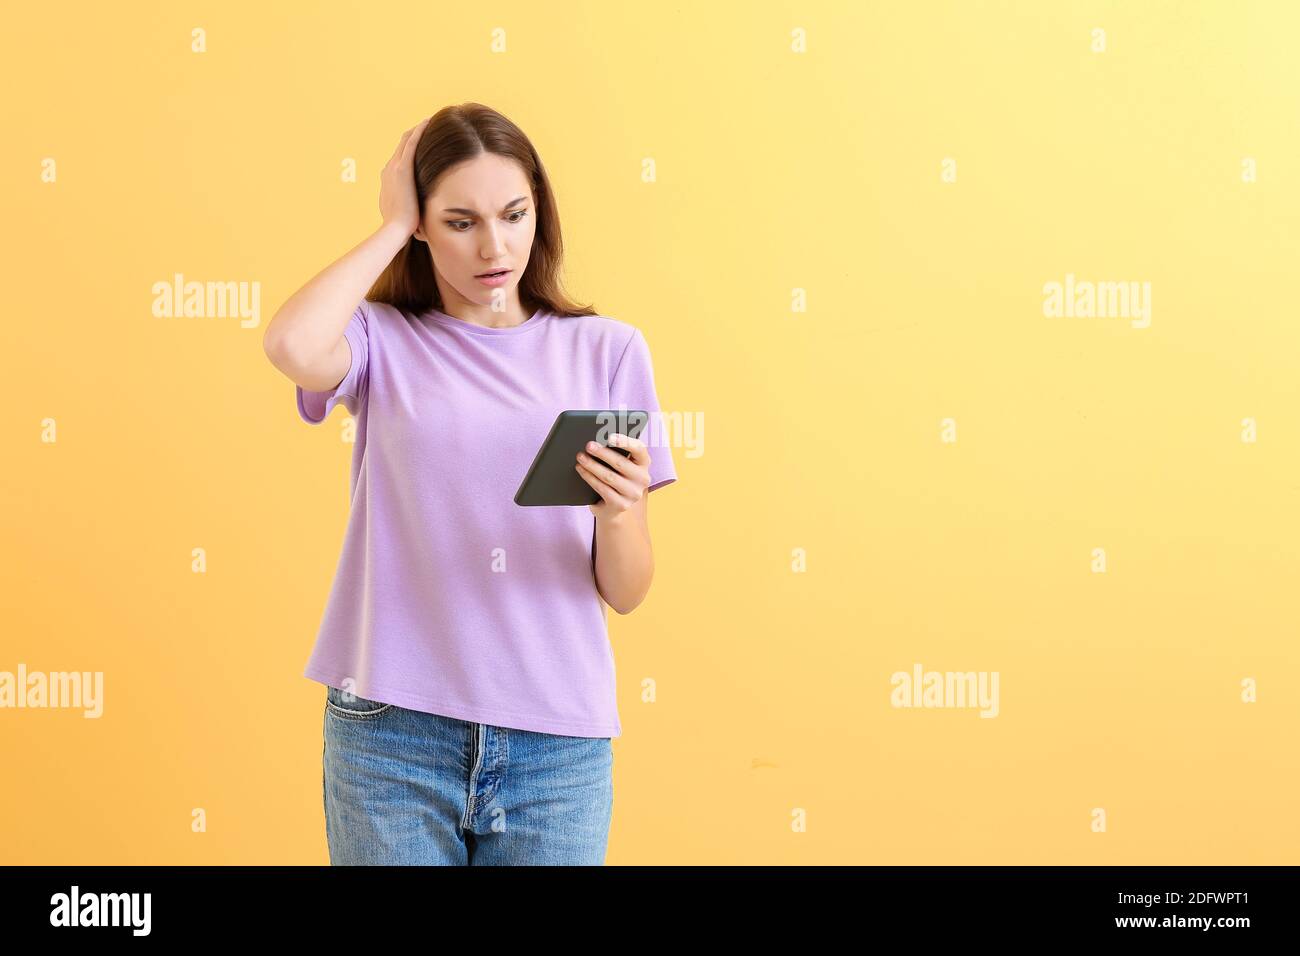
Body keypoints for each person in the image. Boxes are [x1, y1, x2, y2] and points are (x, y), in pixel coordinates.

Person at [262, 103, 679, 865]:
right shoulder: (381, 340)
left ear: (538, 211)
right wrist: (390, 224)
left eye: (514, 214)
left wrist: (620, 512)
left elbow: (626, 590)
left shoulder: (609, 351)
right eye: (459, 221)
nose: (495, 246)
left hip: (556, 746)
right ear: (422, 223)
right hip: (391, 733)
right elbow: (291, 343)